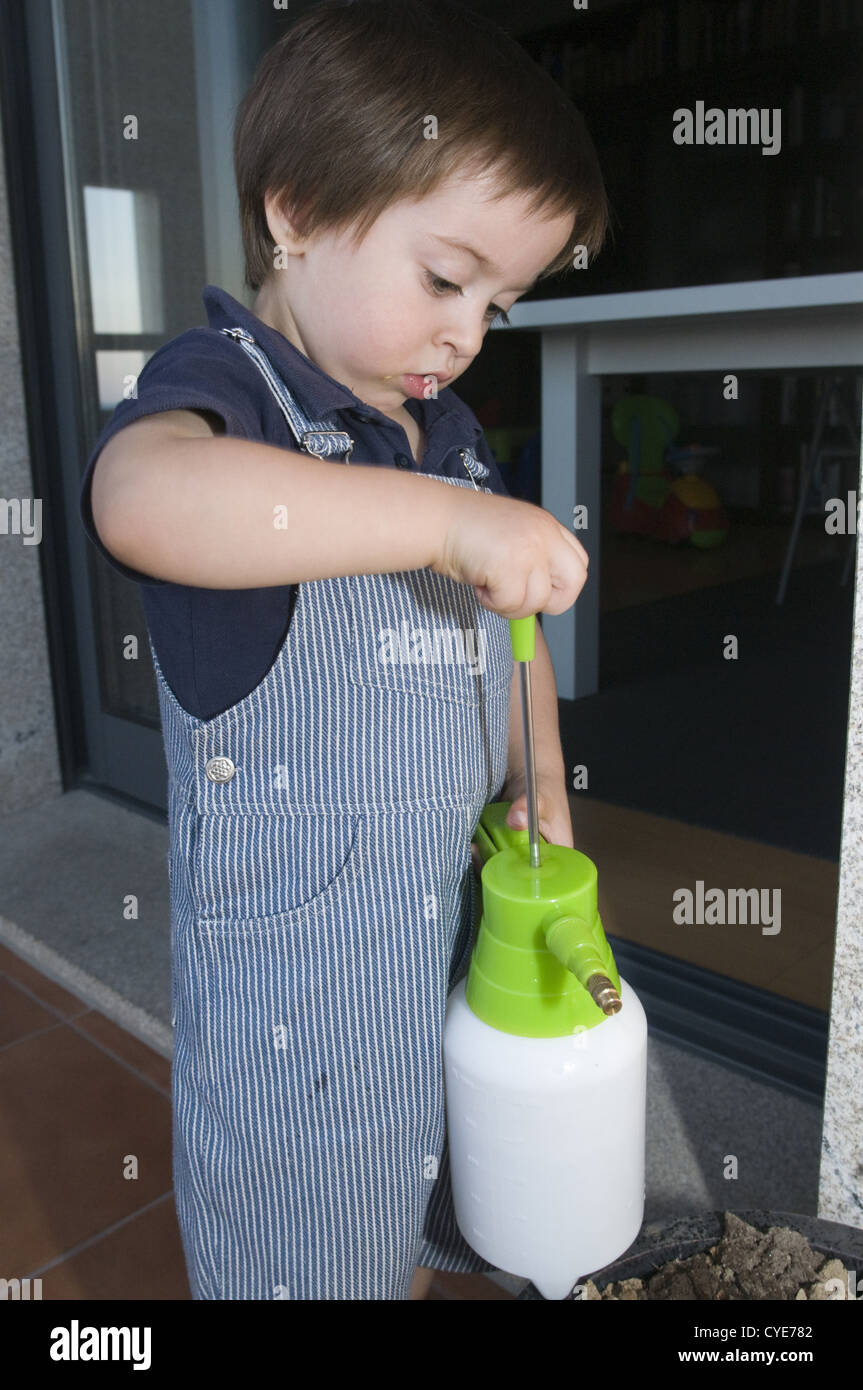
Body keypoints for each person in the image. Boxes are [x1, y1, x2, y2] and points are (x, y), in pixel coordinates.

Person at [80, 0, 605, 1300]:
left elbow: (514, 637)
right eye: (446, 278)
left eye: (504, 299)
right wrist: (439, 522)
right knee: (311, 1245)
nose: (468, 331)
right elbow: (139, 499)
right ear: (296, 209)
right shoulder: (232, 393)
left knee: (417, 1201)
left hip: (438, 942)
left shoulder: (453, 436)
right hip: (294, 1008)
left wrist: (538, 766)